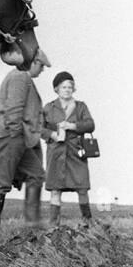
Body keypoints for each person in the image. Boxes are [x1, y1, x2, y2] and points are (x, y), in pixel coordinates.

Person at [0, 49, 48, 227]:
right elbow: (14, 110)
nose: (42, 70)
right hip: (9, 135)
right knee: (1, 180)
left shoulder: (23, 78)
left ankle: (32, 223)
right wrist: (15, 136)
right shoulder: (20, 76)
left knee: (36, 174)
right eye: (41, 65)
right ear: (33, 62)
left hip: (17, 137)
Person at [42, 71, 97, 223]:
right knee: (55, 189)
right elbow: (38, 128)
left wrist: (71, 125)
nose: (67, 90)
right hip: (56, 152)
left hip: (76, 150)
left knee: (82, 187)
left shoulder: (81, 107)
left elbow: (90, 125)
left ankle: (88, 223)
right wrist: (52, 135)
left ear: (73, 89)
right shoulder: (48, 108)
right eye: (63, 87)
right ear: (56, 89)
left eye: (69, 87)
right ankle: (54, 225)